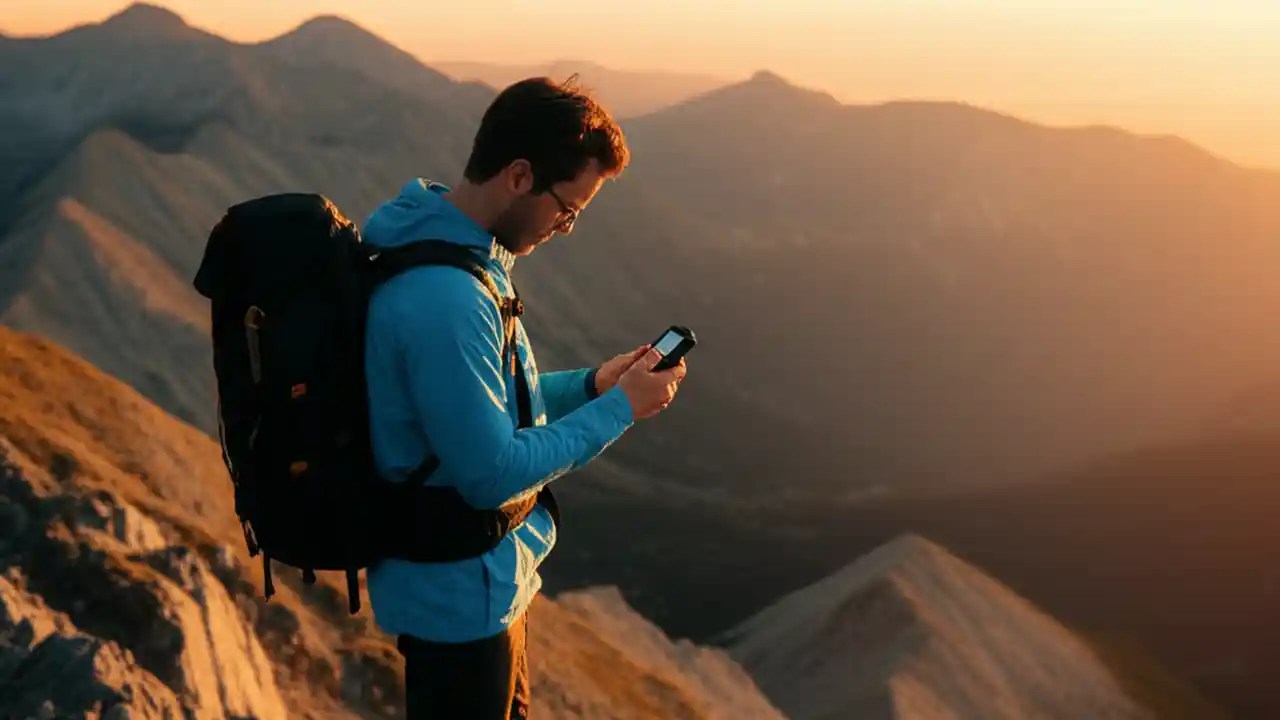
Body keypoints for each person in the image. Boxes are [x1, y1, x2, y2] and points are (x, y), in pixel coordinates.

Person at [361, 76, 689, 719]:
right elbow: (489, 473)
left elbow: (482, 412)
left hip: (475, 591)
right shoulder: (446, 298)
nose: (566, 228)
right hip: (459, 606)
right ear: (518, 176)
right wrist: (621, 408)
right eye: (568, 208)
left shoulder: (453, 259)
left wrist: (594, 385)